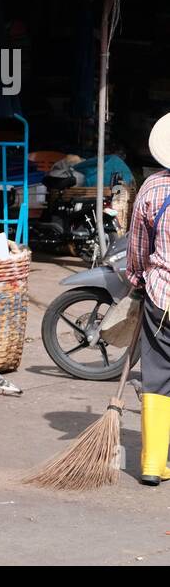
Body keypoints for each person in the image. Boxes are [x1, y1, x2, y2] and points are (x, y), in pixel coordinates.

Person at [125, 113, 170, 485]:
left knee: (156, 377)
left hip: (161, 296)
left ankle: (153, 464)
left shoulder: (152, 188)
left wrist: (138, 277)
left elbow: (138, 248)